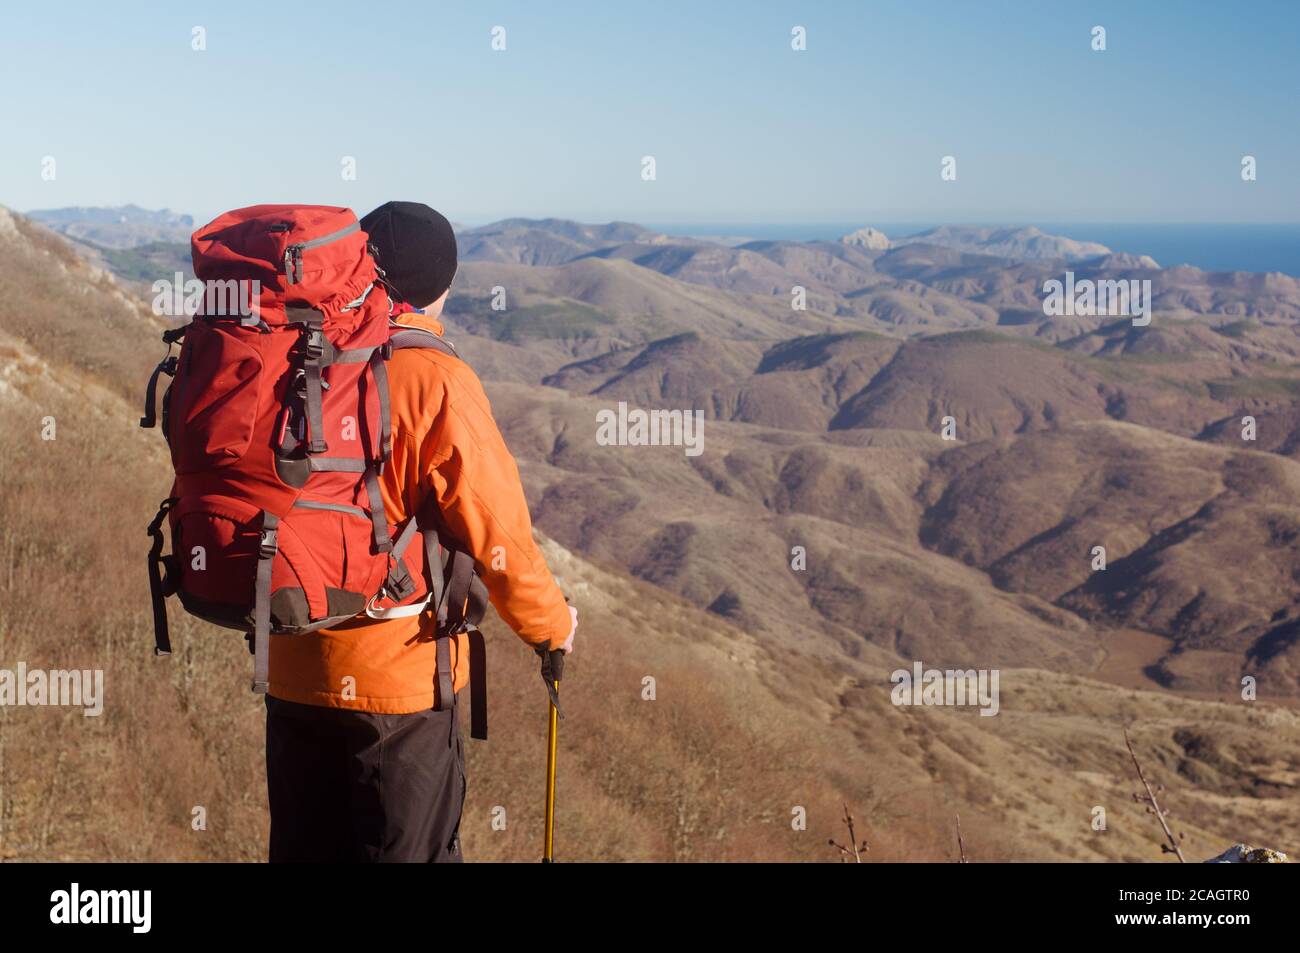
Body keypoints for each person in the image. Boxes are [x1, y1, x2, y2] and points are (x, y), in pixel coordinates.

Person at [263, 201, 576, 862]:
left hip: (292, 661)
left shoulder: (293, 354)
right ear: (441, 290)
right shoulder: (434, 378)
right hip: (397, 685)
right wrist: (551, 627)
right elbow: (500, 539)